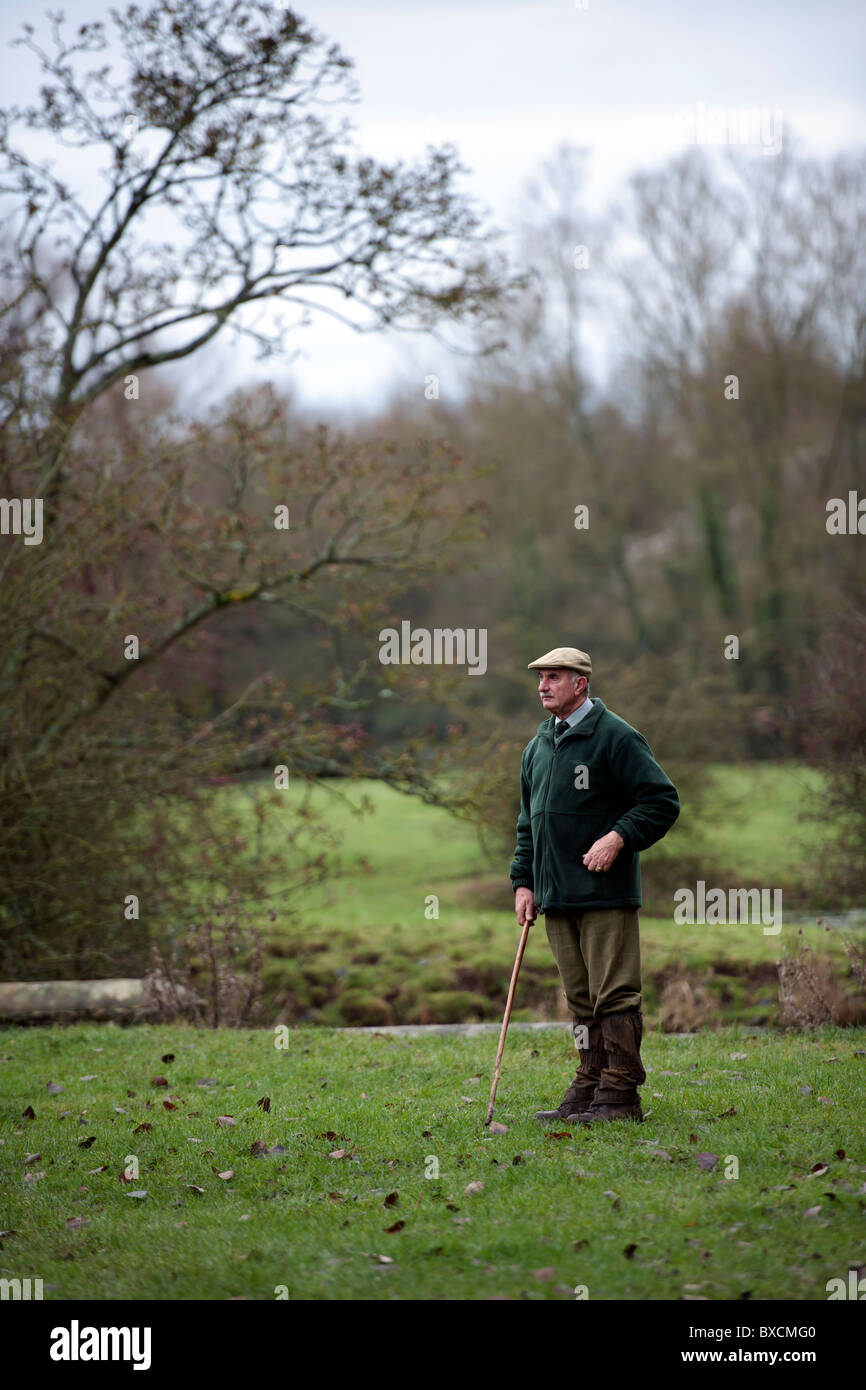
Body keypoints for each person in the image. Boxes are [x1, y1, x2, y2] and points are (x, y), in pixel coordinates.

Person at [508, 646, 680, 1123]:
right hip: (555, 897)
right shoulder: (538, 745)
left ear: (580, 683)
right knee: (581, 999)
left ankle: (621, 1095)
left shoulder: (617, 737)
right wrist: (523, 881)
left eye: (554, 677)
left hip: (605, 894)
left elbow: (661, 801)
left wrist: (618, 836)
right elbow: (529, 823)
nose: (542, 685)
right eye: (540, 677)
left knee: (615, 995)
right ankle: (590, 1084)